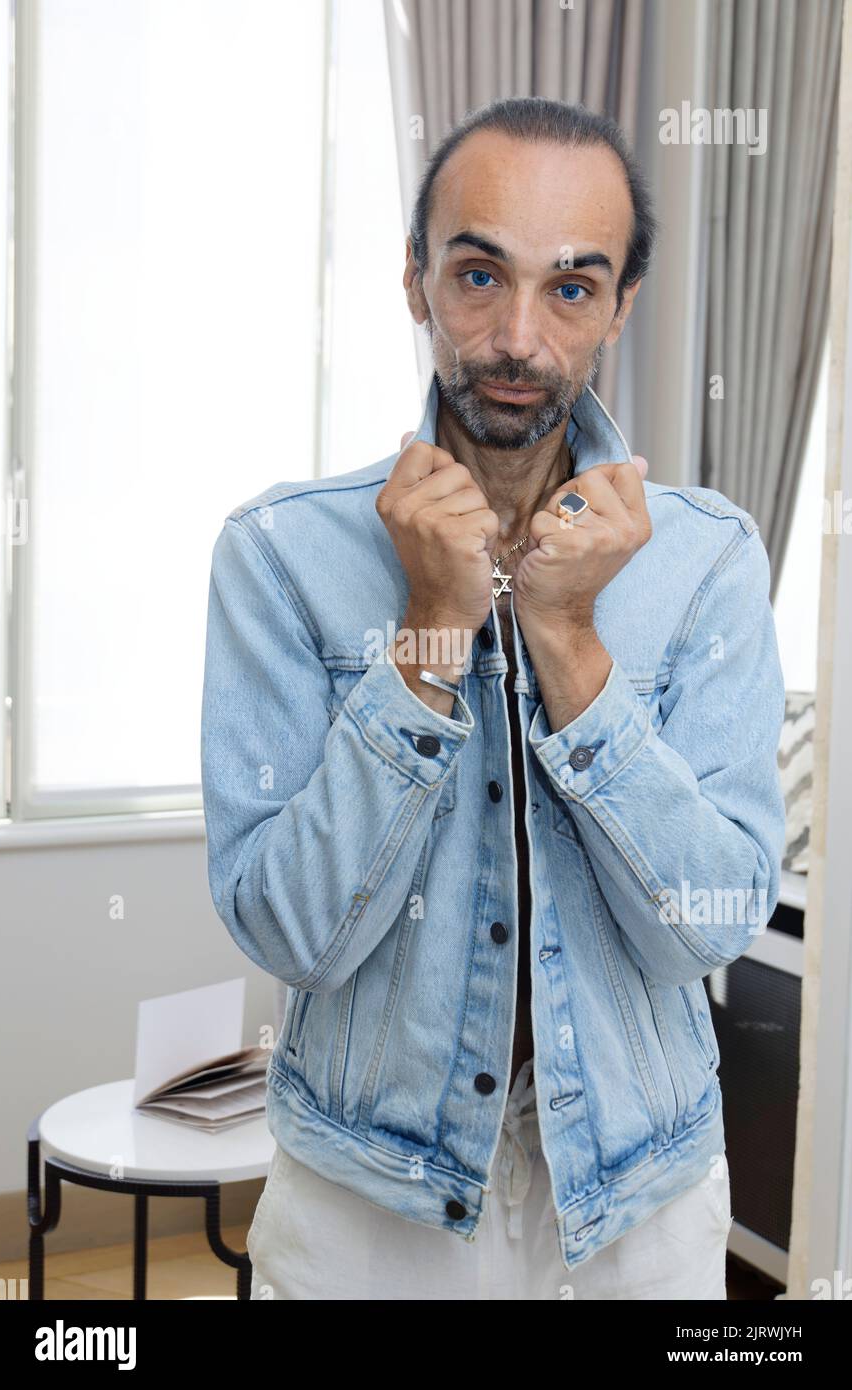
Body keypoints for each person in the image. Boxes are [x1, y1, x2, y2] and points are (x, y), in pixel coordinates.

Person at [201, 97, 786, 1299]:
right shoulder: (275, 553)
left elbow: (714, 921)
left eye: (572, 287)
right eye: (479, 274)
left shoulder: (711, 559)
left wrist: (568, 638)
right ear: (415, 280)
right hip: (372, 1201)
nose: (517, 336)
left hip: (644, 1201)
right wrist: (428, 634)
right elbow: (290, 930)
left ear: (621, 305)